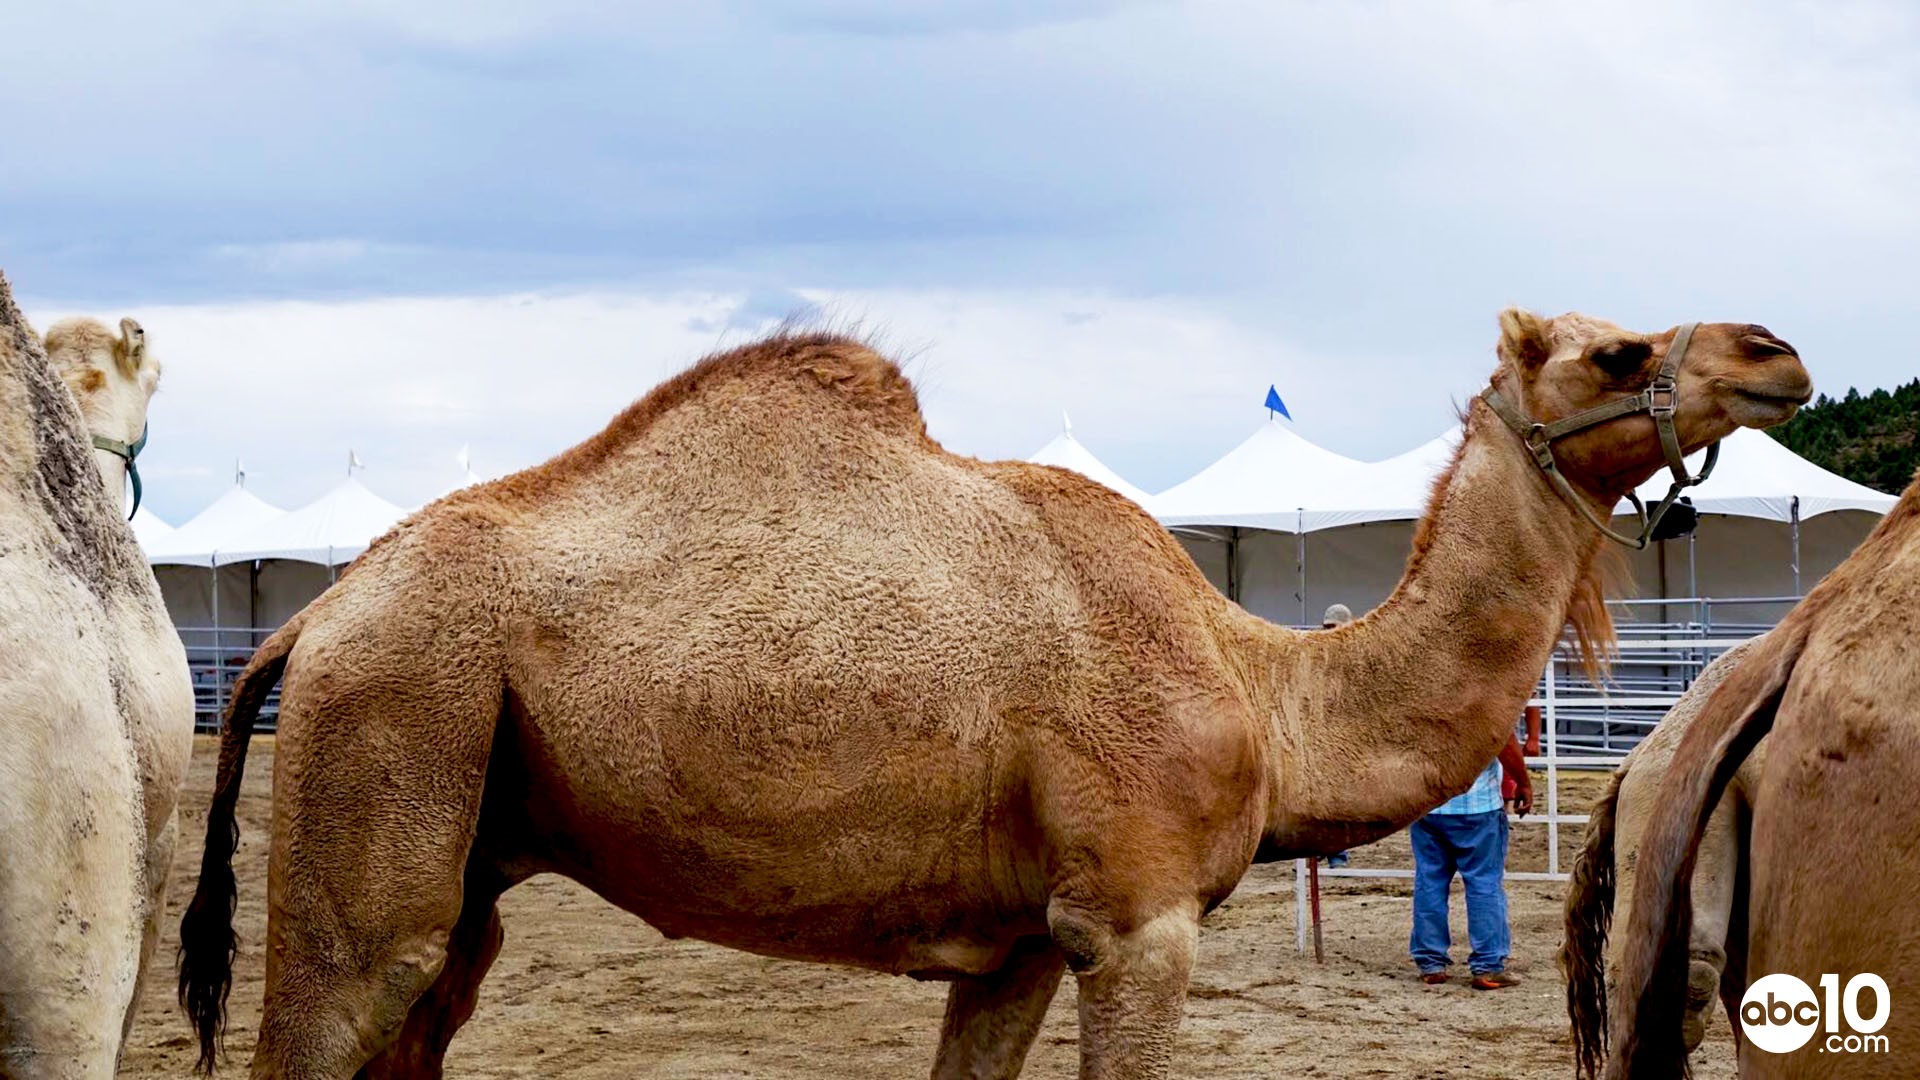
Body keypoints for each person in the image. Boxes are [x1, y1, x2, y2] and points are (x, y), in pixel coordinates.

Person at [1408, 728, 1532, 989]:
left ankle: (1431, 962)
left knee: (1429, 881)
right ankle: (1487, 964)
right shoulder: (1481, 703)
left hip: (1428, 803)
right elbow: (1503, 739)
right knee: (1484, 883)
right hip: (1478, 805)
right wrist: (1523, 782)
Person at [1319, 604, 1355, 869]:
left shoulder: (1355, 659)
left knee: (1339, 800)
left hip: (1344, 740)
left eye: (1334, 626)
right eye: (1327, 627)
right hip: (1321, 737)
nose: (1330, 632)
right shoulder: (1320, 658)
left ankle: (1337, 854)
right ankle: (1319, 850)